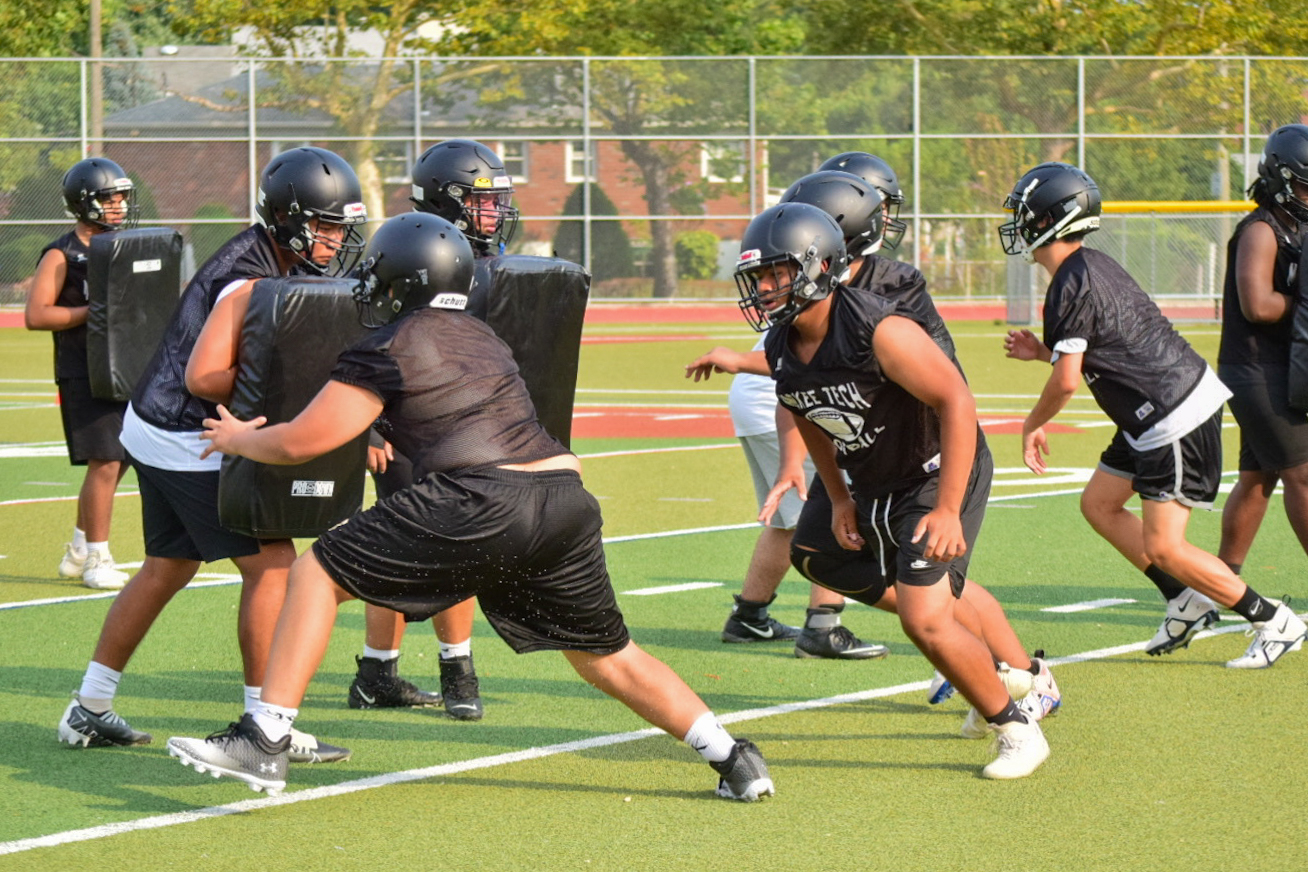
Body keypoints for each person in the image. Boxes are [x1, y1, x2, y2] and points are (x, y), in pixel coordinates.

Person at [166, 213, 775, 802]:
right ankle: (731, 755)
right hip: (563, 498)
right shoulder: (483, 336)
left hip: (481, 498)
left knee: (316, 572)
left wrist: (235, 438)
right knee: (607, 656)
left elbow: (303, 441)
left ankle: (264, 735)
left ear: (399, 282)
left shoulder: (389, 341)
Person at [691, 167, 1059, 720]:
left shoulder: (883, 301)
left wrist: (948, 506)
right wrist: (806, 469)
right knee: (818, 555)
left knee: (929, 601)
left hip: (927, 456)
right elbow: (804, 385)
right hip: (870, 457)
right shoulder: (802, 315)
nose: (767, 284)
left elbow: (942, 397)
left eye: (779, 265)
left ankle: (1017, 676)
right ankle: (951, 634)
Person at [56, 147, 366, 762]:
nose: (334, 241)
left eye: (340, 228)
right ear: (285, 219)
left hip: (161, 424)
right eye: (324, 226)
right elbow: (207, 377)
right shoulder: (245, 278)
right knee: (273, 565)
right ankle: (263, 724)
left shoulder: (277, 256)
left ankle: (87, 708)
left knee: (167, 567)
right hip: (185, 430)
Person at [1000, 160, 1306, 670]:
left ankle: (1272, 620)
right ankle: (1185, 598)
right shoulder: (1087, 266)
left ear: (1048, 218)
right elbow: (1108, 344)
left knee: (1165, 545)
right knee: (1099, 503)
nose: (1018, 223)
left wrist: (1033, 424)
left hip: (1172, 414)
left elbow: (1069, 379)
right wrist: (1042, 352)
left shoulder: (1070, 281)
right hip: (1151, 411)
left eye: (1024, 212)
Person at [347, 138, 523, 719]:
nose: (495, 213)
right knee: (393, 547)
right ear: (447, 203)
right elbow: (359, 345)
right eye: (482, 201)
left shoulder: (482, 263)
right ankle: (380, 671)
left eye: (497, 201)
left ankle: (453, 666)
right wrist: (369, 428)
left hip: (458, 427)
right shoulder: (400, 253)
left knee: (460, 542)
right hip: (403, 425)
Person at [690, 333, 890, 659]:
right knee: (833, 510)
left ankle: (749, 618)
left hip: (763, 403)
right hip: (783, 407)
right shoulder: (845, 294)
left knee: (788, 521)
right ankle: (823, 628)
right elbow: (805, 358)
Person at [25, 158, 137, 590]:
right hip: (84, 370)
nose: (119, 205)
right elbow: (37, 314)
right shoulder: (62, 253)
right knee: (106, 461)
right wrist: (92, 313)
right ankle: (97, 558)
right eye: (110, 198)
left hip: (125, 366)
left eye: (122, 197)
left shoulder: (125, 245)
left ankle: (77, 550)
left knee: (117, 460)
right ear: (85, 203)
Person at [1214, 125, 1308, 592]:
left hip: (1281, 369)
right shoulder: (1261, 228)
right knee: (1303, 474)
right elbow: (1258, 304)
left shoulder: (1298, 227)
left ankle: (1217, 581)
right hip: (1255, 370)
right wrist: (1304, 304)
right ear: (1282, 179)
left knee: (1257, 479)